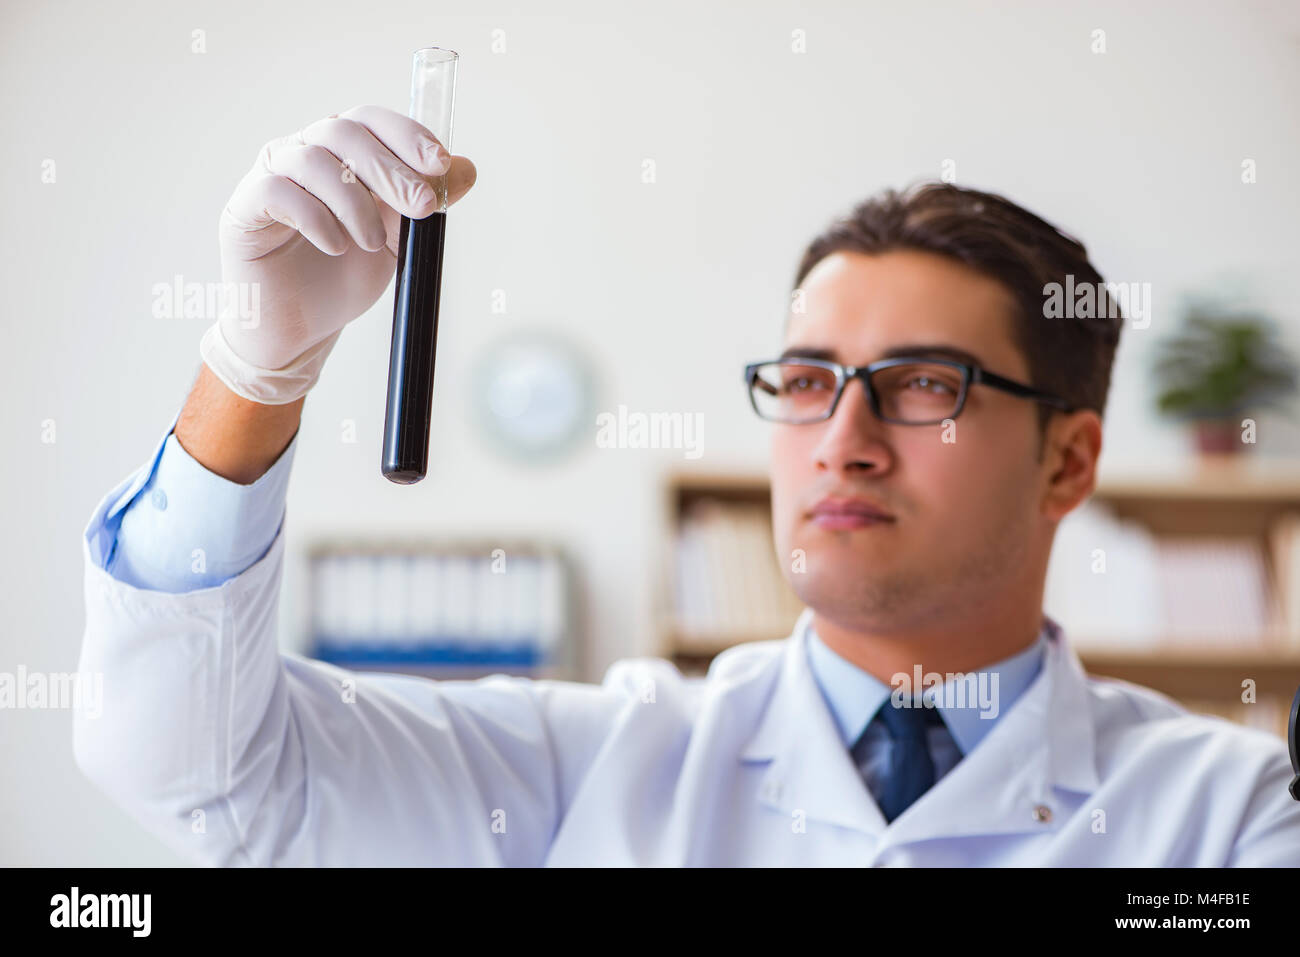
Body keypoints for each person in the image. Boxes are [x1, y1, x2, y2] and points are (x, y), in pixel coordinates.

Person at [74, 105, 1300, 866]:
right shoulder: (581, 770)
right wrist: (254, 368)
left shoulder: (1226, 820)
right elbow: (199, 774)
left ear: (1069, 459)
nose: (844, 438)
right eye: (809, 380)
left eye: (924, 384)